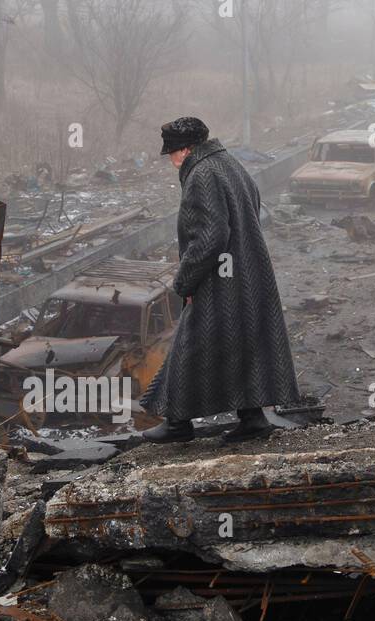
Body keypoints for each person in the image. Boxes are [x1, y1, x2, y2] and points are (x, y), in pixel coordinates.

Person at [141, 117, 300, 444]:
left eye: (171, 153)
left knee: (190, 343)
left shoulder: (201, 174)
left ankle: (177, 423)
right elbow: (252, 209)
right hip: (249, 274)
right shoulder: (230, 164)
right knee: (245, 345)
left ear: (185, 150)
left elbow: (210, 237)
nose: (171, 161)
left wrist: (184, 282)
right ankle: (252, 418)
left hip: (220, 282)